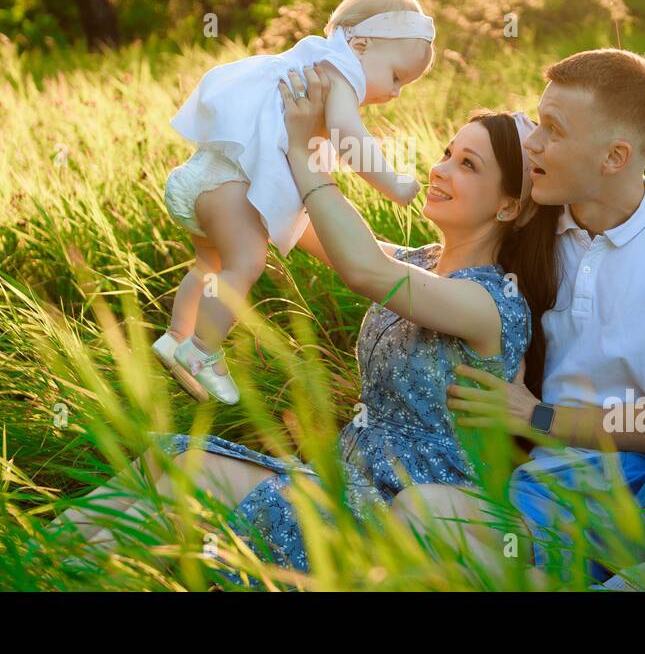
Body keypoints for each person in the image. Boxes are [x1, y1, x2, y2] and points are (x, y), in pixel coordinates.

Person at [46, 64, 560, 576]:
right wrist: (263, 149)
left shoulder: (492, 303)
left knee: (184, 482)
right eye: (447, 153)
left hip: (399, 508)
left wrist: (302, 156)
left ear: (510, 205)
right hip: (344, 477)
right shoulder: (423, 260)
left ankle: (44, 573)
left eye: (468, 165)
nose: (441, 169)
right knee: (170, 460)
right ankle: (24, 563)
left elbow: (365, 269)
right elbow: (297, 226)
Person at [397, 48, 645, 590]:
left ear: (614, 157)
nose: (533, 144)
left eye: (553, 130)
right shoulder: (527, 221)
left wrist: (542, 418)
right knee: (419, 512)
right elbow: (422, 267)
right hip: (538, 508)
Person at [153, 0, 435, 405]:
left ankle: (177, 335)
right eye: (396, 76)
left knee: (210, 264)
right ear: (360, 45)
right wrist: (391, 181)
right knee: (244, 263)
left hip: (210, 175)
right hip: (232, 184)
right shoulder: (339, 71)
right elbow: (347, 134)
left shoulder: (311, 62)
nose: (395, 93)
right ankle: (201, 352)